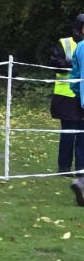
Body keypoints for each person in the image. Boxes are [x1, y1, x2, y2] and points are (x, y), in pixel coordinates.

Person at [50, 15, 84, 182]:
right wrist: (74, 64)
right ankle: (64, 167)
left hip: (81, 96)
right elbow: (55, 63)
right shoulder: (65, 43)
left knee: (82, 135)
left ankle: (81, 169)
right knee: (69, 133)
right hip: (66, 96)